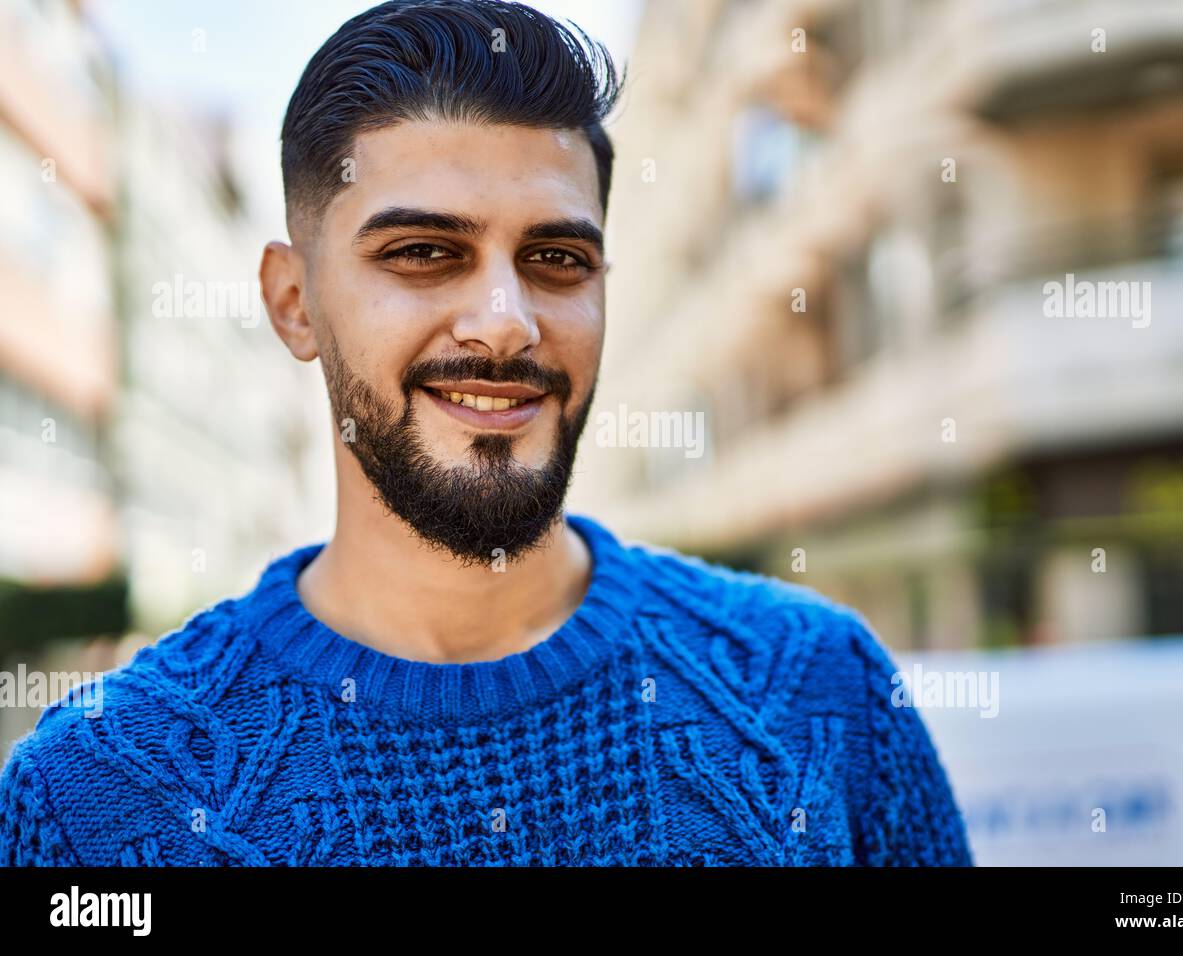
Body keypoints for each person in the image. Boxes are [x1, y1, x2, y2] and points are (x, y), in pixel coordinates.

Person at [0, 0, 972, 866]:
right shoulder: (88, 797)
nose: (505, 319)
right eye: (424, 252)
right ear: (294, 303)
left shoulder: (821, 691)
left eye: (556, 258)